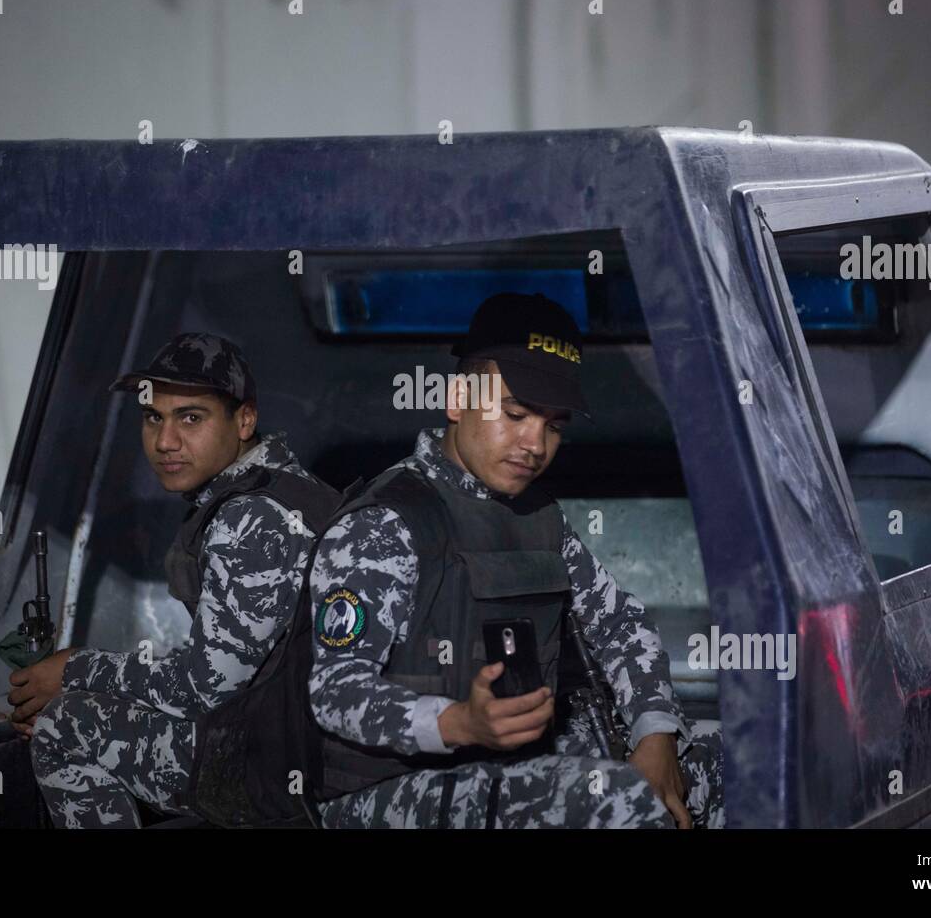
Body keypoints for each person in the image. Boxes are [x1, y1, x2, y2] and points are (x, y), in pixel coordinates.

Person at [307, 294, 723, 828]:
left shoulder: (540, 518)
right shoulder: (387, 523)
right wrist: (460, 723)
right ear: (458, 399)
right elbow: (336, 689)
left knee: (739, 762)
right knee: (615, 799)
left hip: (513, 769)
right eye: (516, 414)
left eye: (554, 426)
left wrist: (655, 732)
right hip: (386, 790)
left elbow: (621, 626)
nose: (535, 443)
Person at [9, 332, 338, 828]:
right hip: (312, 743)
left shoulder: (250, 519)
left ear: (244, 419)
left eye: (191, 417)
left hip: (289, 768)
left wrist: (77, 669)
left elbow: (207, 690)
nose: (165, 442)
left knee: (65, 725)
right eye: (152, 418)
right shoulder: (292, 490)